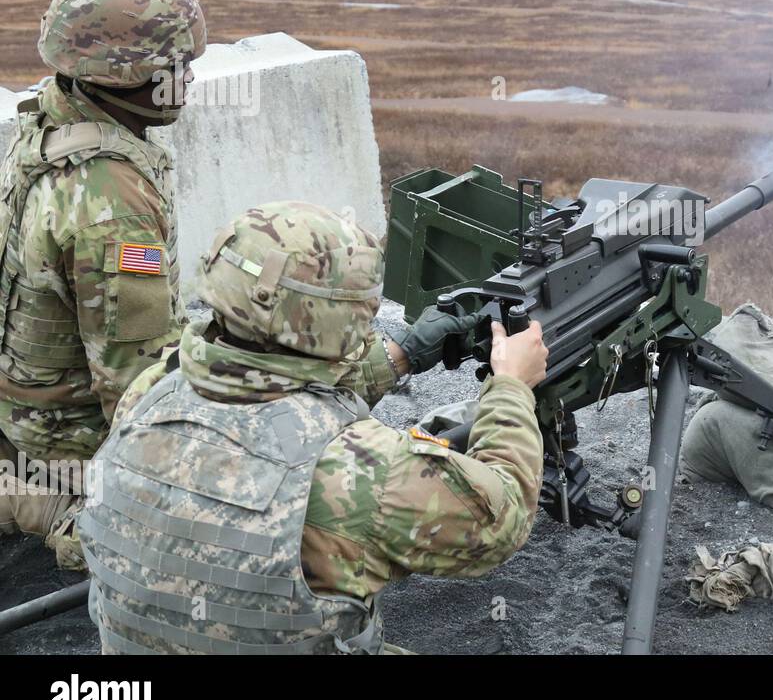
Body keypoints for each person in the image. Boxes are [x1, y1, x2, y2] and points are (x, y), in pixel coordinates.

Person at [77, 201, 547, 654]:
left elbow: (269, 384)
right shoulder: (359, 468)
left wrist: (401, 354)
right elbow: (501, 521)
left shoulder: (151, 390)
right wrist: (511, 386)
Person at [0, 0, 204, 567]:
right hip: (71, 442)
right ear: (120, 75)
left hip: (26, 408)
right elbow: (136, 386)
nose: (186, 80)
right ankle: (56, 508)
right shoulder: (111, 203)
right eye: (172, 67)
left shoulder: (50, 119)